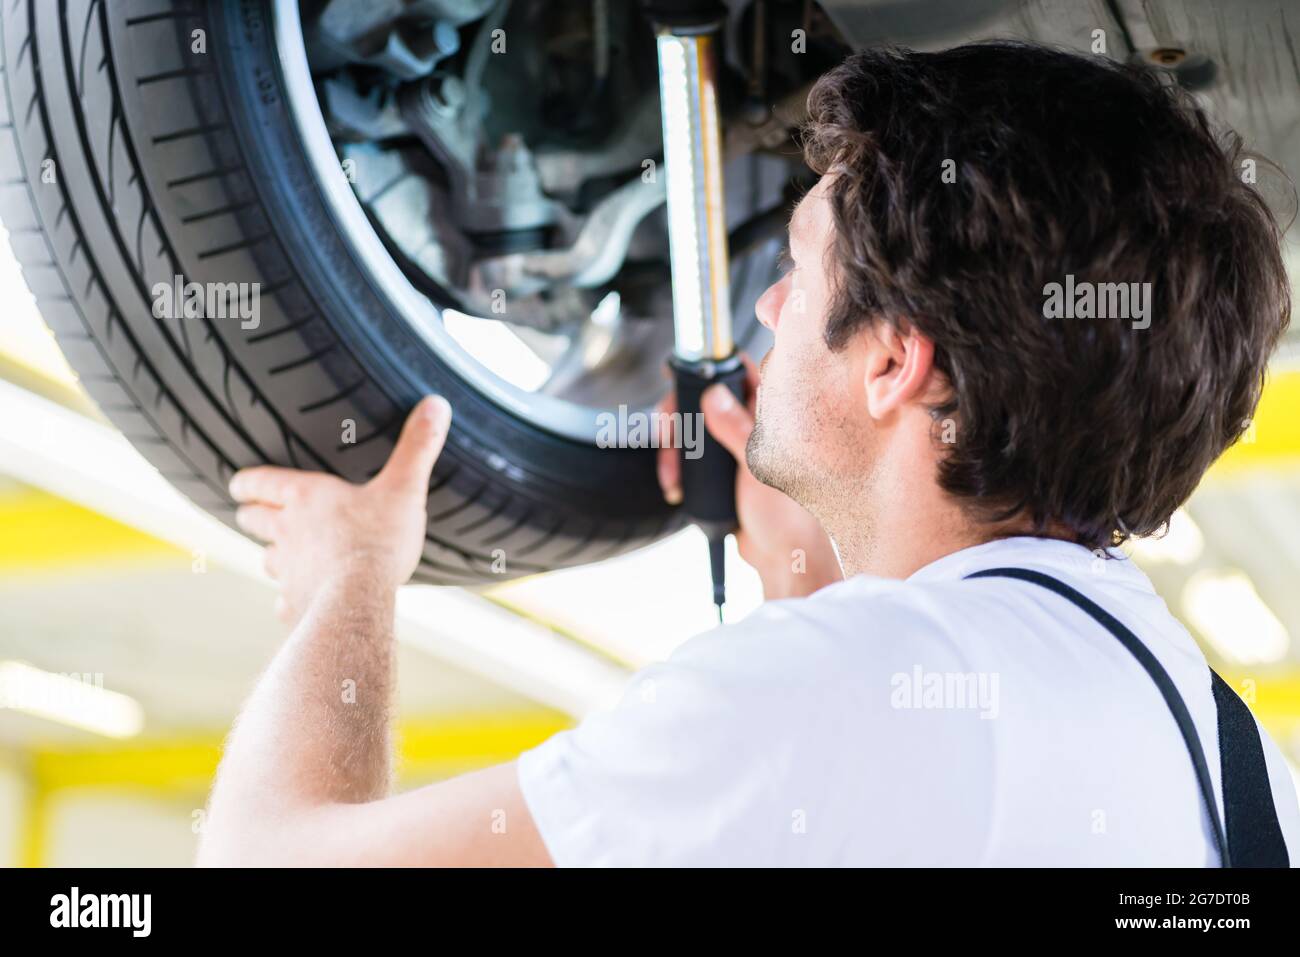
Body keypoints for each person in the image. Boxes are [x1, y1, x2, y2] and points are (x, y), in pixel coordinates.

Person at [197, 42, 1298, 866]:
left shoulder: (815, 694)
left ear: (892, 367)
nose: (765, 305)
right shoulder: (1231, 758)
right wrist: (807, 581)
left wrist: (349, 579)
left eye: (798, 271)